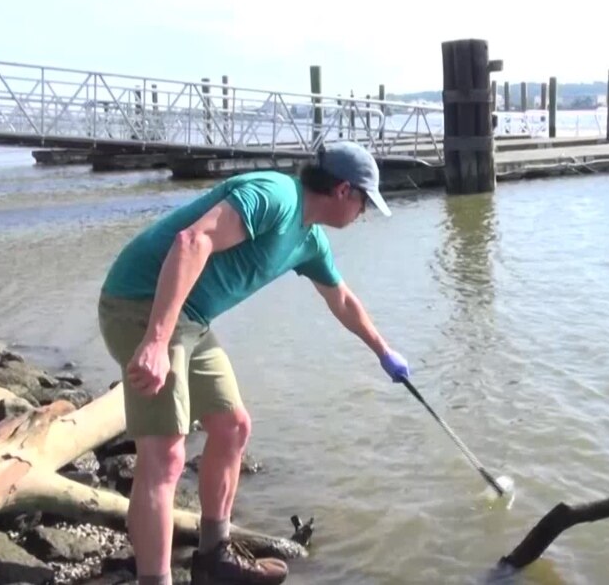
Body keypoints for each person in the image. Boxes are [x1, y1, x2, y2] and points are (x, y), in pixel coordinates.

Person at [97, 141, 411, 585]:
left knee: (233, 426)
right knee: (165, 454)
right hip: (140, 304)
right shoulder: (275, 196)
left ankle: (213, 559)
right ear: (343, 190)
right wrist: (155, 340)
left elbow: (341, 299)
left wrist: (384, 353)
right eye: (364, 201)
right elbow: (193, 240)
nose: (364, 213)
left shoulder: (309, 240)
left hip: (192, 318)